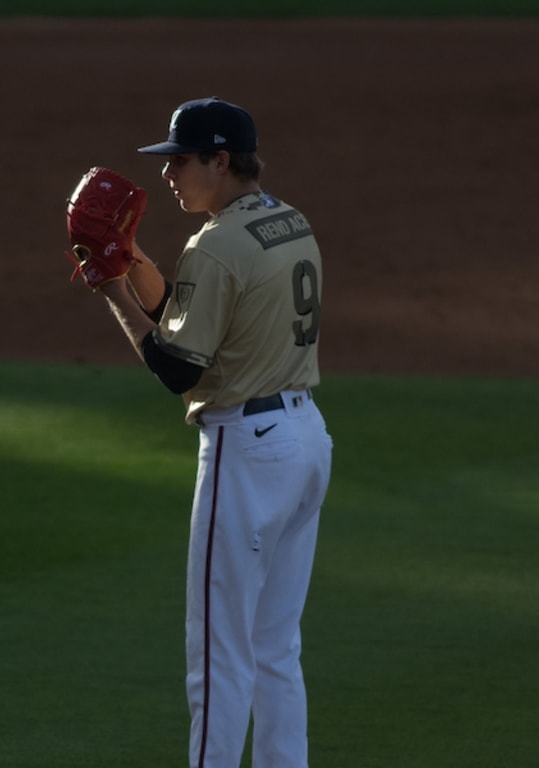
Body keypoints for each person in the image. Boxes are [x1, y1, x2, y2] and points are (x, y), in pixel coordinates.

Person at [89, 97, 333, 768]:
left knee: (217, 657)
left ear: (220, 161)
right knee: (275, 648)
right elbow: (195, 318)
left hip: (246, 453)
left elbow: (175, 366)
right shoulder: (288, 221)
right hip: (305, 440)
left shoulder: (216, 245)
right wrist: (136, 260)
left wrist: (110, 288)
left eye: (181, 161)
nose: (168, 175)